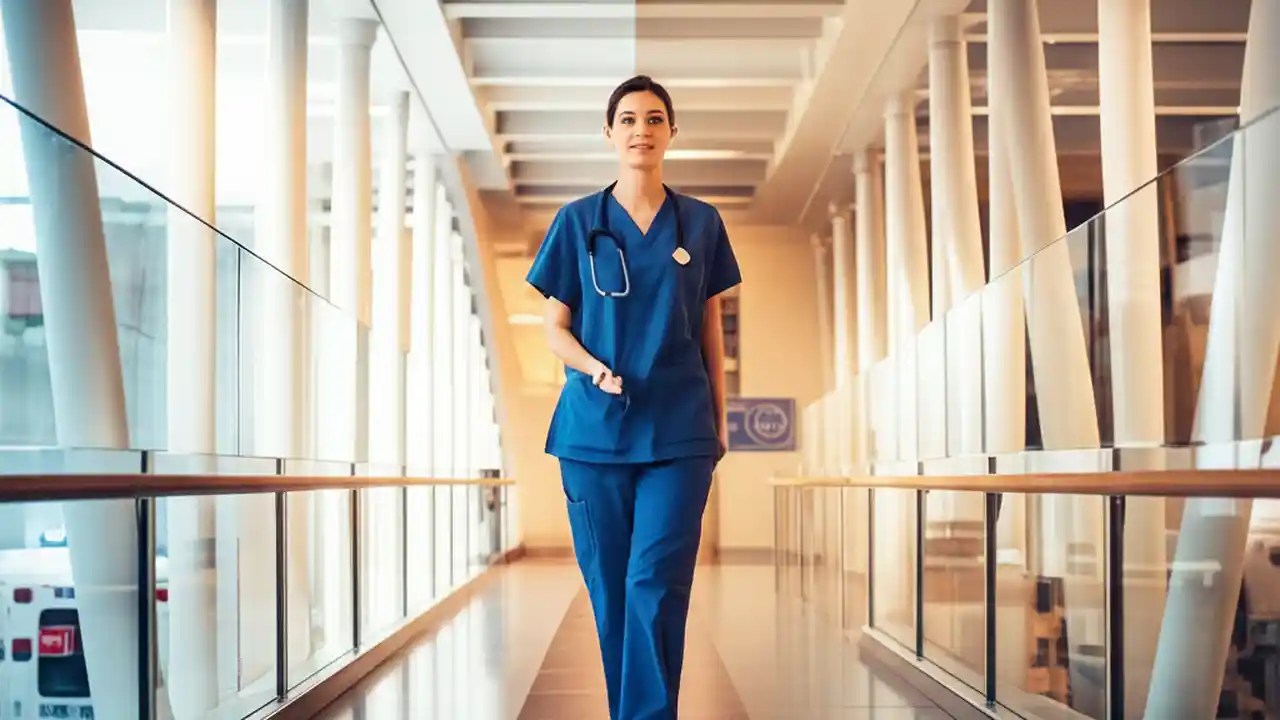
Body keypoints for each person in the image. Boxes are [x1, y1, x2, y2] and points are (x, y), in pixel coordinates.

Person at [525, 74, 742, 720]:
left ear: (671, 132)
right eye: (627, 119)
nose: (640, 130)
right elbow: (554, 328)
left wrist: (718, 423)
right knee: (611, 597)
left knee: (655, 585)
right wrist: (593, 368)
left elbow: (710, 330)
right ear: (609, 134)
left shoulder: (700, 224)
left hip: (679, 435)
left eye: (653, 119)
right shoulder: (576, 223)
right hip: (593, 436)